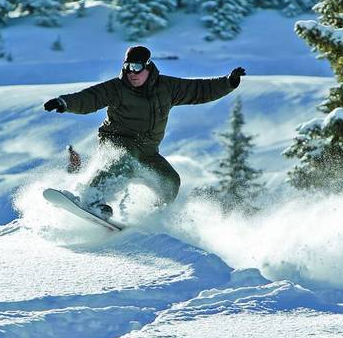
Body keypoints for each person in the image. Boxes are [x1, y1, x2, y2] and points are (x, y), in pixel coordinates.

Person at [44, 45, 245, 218]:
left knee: (171, 181)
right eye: (127, 67)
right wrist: (65, 103)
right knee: (123, 159)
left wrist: (228, 82)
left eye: (136, 67)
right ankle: (91, 199)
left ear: (148, 66)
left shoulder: (167, 87)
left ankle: (151, 214)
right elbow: (90, 98)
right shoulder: (117, 88)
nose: (132, 73)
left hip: (148, 150)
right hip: (117, 140)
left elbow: (199, 90)